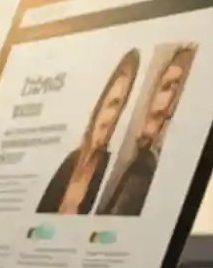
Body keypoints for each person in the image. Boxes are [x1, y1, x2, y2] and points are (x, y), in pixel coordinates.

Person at [35, 49, 140, 214]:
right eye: (113, 103)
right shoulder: (71, 161)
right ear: (99, 106)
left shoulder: (109, 172)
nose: (114, 116)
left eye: (121, 107)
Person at [98, 44, 198, 216]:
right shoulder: (137, 162)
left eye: (174, 89)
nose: (161, 102)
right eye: (164, 87)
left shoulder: (152, 168)